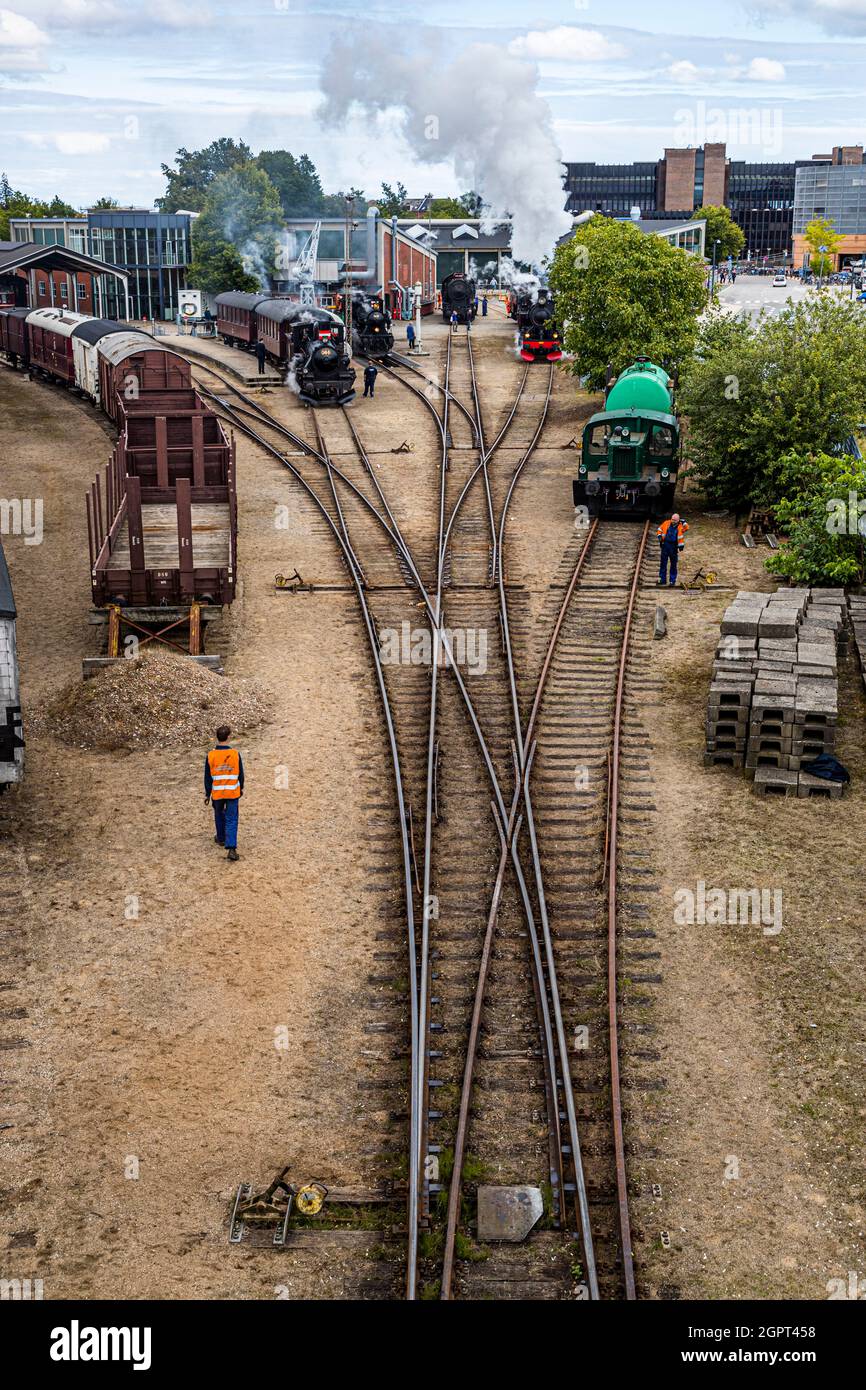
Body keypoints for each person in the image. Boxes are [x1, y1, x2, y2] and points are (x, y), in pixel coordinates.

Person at [204, 725, 244, 862]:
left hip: (218, 792)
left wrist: (207, 793)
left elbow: (207, 777)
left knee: (218, 814)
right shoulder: (235, 754)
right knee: (232, 819)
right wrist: (241, 788)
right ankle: (231, 847)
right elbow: (241, 774)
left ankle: (221, 838)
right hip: (232, 791)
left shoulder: (211, 755)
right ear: (228, 737)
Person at [657, 513, 688, 587]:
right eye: (672, 519)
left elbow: (686, 528)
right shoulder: (666, 523)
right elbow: (659, 529)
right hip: (665, 546)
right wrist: (659, 536)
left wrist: (684, 522)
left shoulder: (680, 526)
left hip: (673, 547)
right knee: (663, 564)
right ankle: (662, 580)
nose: (672, 521)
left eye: (674, 520)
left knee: (673, 565)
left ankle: (672, 581)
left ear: (678, 520)